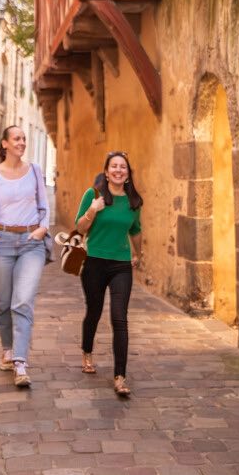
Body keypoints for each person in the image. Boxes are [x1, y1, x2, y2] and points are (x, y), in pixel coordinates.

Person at [0, 125, 51, 389]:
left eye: (23, 138)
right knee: (3, 302)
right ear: (5, 144)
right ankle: (7, 349)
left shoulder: (34, 170)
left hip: (31, 242)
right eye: (16, 139)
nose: (22, 142)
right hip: (2, 241)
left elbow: (44, 204)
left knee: (22, 301)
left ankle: (20, 361)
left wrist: (43, 228)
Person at [74, 152, 142, 398]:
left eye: (123, 167)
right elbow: (80, 227)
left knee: (119, 318)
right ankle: (87, 353)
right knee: (94, 311)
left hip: (121, 265)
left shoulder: (134, 201)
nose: (118, 170)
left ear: (128, 174)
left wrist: (138, 254)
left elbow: (135, 230)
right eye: (114, 166)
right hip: (94, 262)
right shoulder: (93, 195)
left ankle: (120, 377)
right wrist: (92, 210)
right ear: (106, 171)